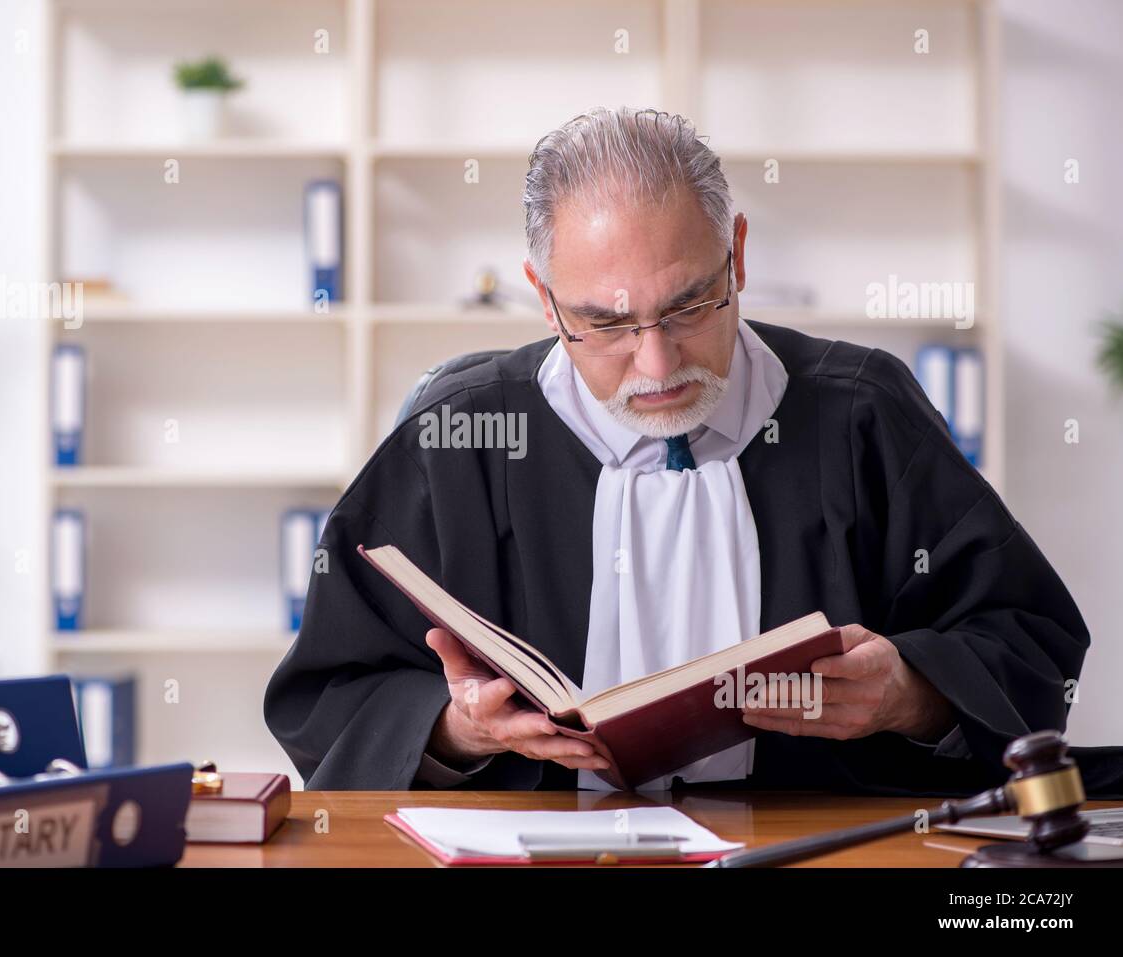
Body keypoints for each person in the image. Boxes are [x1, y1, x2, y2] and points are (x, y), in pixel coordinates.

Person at [264, 107, 1089, 793]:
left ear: (737, 252)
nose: (657, 366)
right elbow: (328, 696)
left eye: (691, 305)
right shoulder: (461, 435)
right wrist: (457, 730)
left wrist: (910, 693)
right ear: (545, 299)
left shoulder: (860, 414)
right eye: (608, 323)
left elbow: (1027, 640)